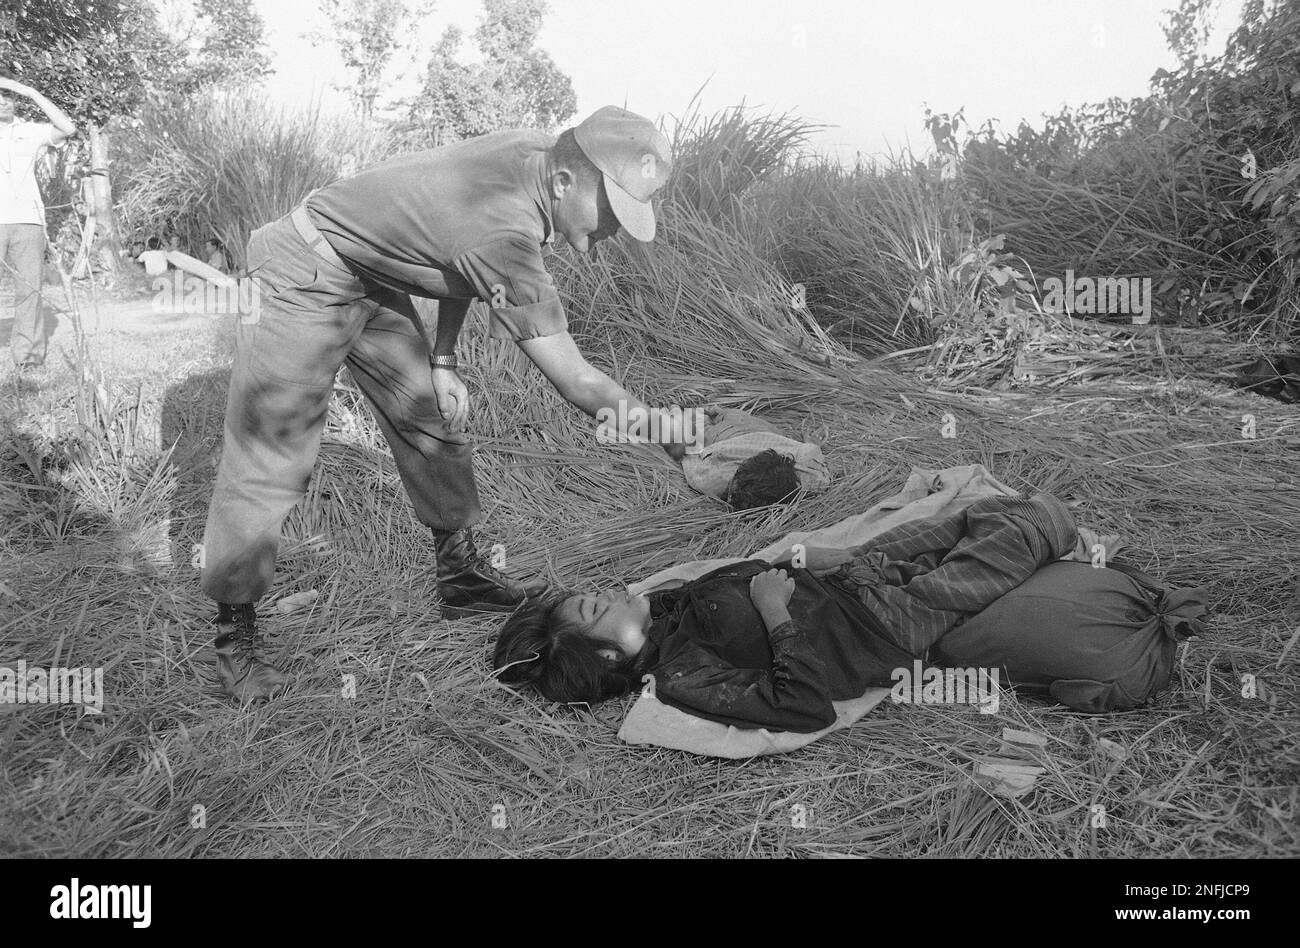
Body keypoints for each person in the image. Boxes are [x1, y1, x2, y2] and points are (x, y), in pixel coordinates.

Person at [202, 105, 684, 703]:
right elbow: (579, 383)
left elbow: (456, 262)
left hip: (368, 272)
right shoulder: (507, 231)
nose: (611, 231)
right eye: (610, 211)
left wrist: (443, 360)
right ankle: (235, 641)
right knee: (272, 450)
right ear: (565, 181)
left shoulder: (539, 153)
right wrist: (674, 437)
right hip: (301, 270)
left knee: (431, 419)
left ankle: (462, 579)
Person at [493, 493, 1194, 730]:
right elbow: (802, 704)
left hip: (856, 574)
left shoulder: (663, 604)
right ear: (607, 655)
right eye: (595, 605)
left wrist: (802, 562)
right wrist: (775, 616)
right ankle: (1076, 552)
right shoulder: (680, 675)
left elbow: (751, 575)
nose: (613, 589)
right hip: (888, 626)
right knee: (1033, 524)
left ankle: (1068, 550)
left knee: (980, 513)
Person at [0, 77, 76, 369]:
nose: (4, 100)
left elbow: (67, 128)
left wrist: (31, 91)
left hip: (28, 221)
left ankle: (29, 359)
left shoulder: (30, 131)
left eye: (9, 95)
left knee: (29, 290)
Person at [682, 407, 830, 509]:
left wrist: (811, 444)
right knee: (699, 419)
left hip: (764, 433)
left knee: (703, 418)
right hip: (739, 436)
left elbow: (690, 454)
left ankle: (718, 414)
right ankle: (717, 414)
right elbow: (689, 454)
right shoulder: (816, 481)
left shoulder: (713, 480)